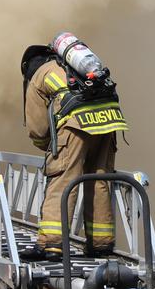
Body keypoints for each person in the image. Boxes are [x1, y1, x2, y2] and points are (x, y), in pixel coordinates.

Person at [21, 38, 128, 259]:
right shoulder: (68, 67)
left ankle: (51, 243)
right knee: (99, 179)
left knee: (62, 178)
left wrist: (50, 149)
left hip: (77, 124)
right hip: (109, 120)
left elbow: (37, 127)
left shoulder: (39, 76)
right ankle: (100, 244)